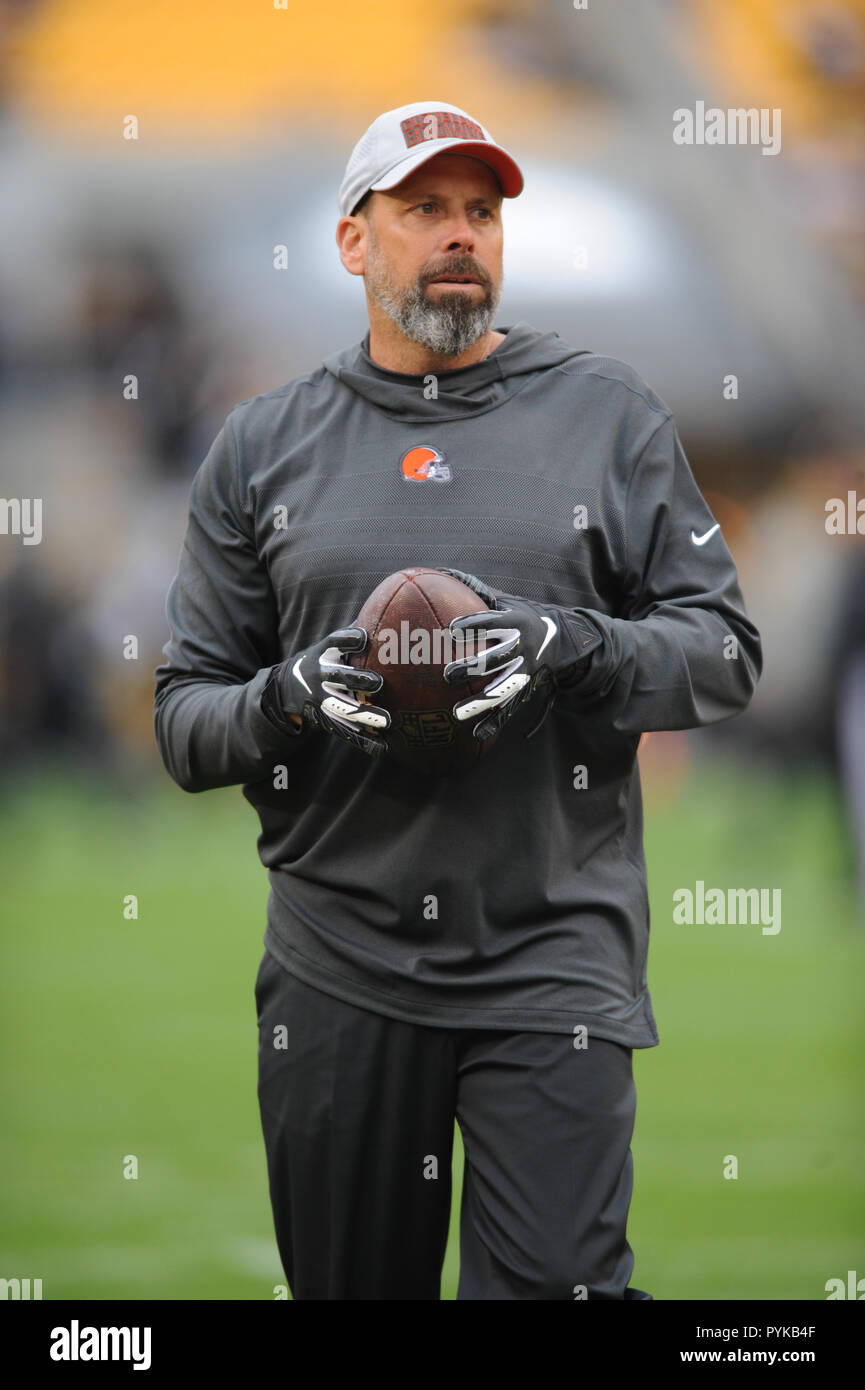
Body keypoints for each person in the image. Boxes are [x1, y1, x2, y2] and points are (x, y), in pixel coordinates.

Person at [153, 99, 762, 1300]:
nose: (459, 235)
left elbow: (724, 651)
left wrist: (569, 644)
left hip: (552, 953)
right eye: (424, 208)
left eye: (481, 212)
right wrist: (294, 697)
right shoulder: (261, 448)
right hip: (339, 966)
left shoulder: (608, 415)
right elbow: (183, 722)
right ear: (351, 242)